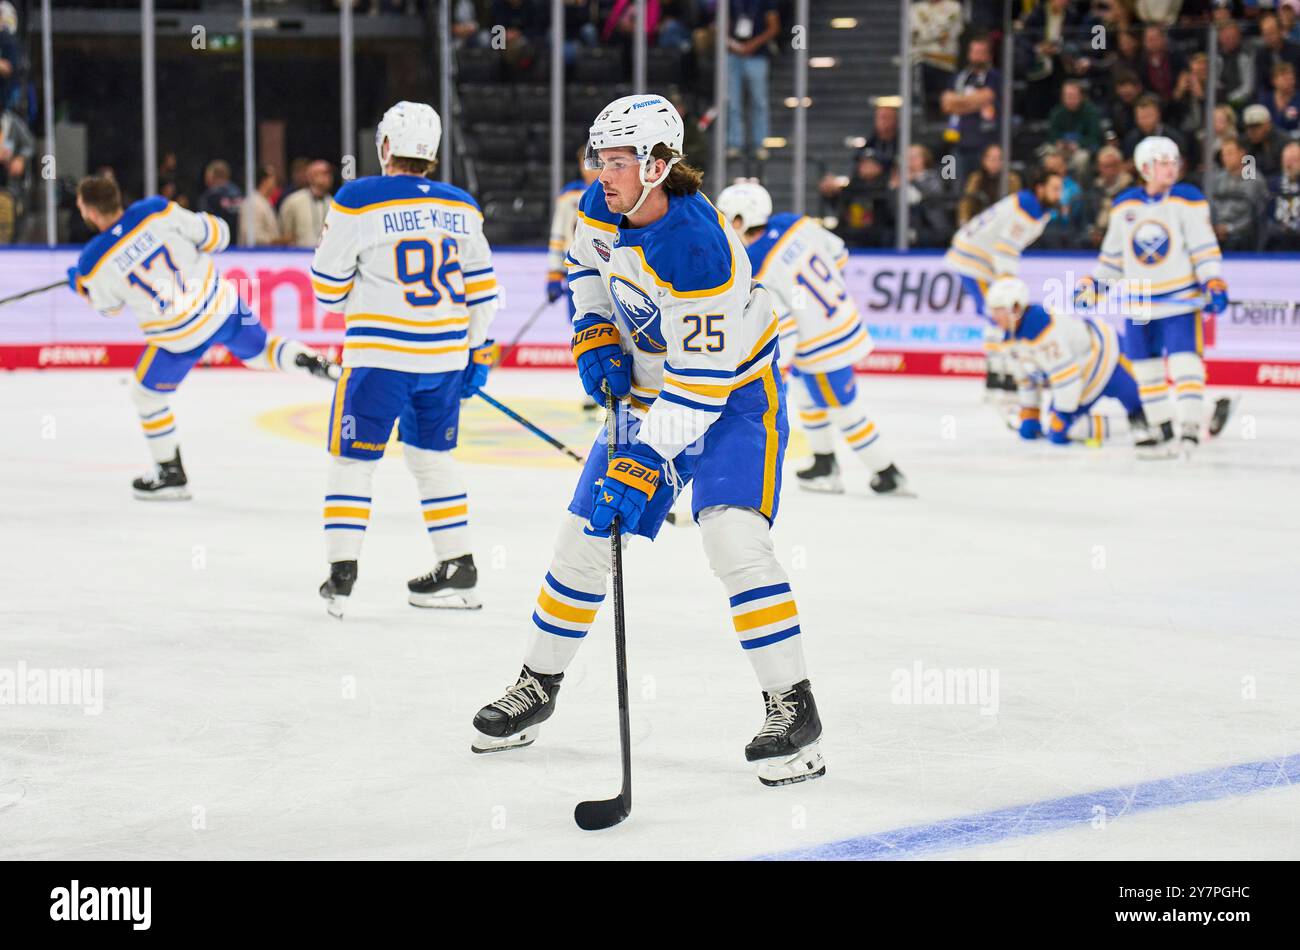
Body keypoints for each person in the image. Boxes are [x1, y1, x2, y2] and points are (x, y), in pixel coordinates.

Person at [471, 94, 825, 788]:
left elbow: (700, 388)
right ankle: (537, 685)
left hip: (733, 401)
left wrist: (641, 459)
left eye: (620, 161)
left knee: (732, 540)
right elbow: (584, 272)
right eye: (600, 159)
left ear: (659, 165)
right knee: (583, 538)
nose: (605, 173)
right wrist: (595, 329)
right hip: (649, 395)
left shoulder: (699, 247)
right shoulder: (600, 207)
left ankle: (794, 707)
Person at [311, 102, 500, 619]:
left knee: (354, 460)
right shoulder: (463, 205)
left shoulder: (357, 198)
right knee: (432, 459)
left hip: (379, 358)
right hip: (442, 358)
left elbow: (327, 290)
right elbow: (484, 292)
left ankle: (342, 575)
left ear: (386, 146)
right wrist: (475, 352)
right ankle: (458, 565)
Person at [66, 175, 337, 499]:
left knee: (146, 395)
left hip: (177, 336)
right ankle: (316, 363)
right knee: (263, 350)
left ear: (89, 212)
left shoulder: (92, 260)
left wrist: (81, 285)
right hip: (220, 305)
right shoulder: (153, 210)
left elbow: (108, 308)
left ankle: (170, 474)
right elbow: (217, 235)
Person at [717, 180, 908, 496]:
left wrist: (779, 368)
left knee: (843, 409)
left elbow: (784, 324)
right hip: (839, 321)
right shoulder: (795, 223)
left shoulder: (754, 265)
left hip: (820, 343)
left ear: (742, 219)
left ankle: (887, 472)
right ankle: (824, 463)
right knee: (809, 399)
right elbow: (839, 254)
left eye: (727, 218)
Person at [1076, 136, 1229, 457]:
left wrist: (1212, 280)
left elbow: (1203, 248)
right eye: (1163, 162)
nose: (1170, 168)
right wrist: (1095, 286)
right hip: (1139, 304)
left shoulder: (1188, 200)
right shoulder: (1124, 206)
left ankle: (1189, 427)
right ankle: (1162, 425)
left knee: (1185, 363)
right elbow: (1113, 260)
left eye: (1174, 162)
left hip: (1179, 301)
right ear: (1146, 168)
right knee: (1146, 369)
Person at [987, 276, 1148, 450]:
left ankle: (1137, 424)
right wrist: (1030, 412)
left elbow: (1066, 376)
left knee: (1146, 407)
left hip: (1111, 355)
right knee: (1063, 430)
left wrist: (1063, 413)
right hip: (1084, 373)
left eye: (999, 310)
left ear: (1016, 307)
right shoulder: (1008, 338)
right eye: (993, 310)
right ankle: (1129, 424)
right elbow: (1027, 379)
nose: (994, 316)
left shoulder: (1041, 326)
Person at [944, 165, 1062, 396]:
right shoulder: (1029, 207)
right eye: (1055, 189)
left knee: (998, 313)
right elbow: (1006, 248)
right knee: (997, 312)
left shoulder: (1037, 206)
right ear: (1040, 189)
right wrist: (1007, 282)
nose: (1059, 194)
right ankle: (998, 373)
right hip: (973, 259)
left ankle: (1000, 371)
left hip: (978, 256)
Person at [725, 0, 781, 163]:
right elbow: (722, 24)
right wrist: (733, 45)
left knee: (759, 101)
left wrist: (753, 44)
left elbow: (773, 27)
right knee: (733, 102)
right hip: (734, 53)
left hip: (757, 55)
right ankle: (735, 142)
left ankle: (760, 142)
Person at [942, 36, 1002, 183]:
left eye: (981, 52)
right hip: (958, 142)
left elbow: (987, 97)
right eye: (974, 52)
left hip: (985, 144)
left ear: (988, 55)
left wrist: (959, 103)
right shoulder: (960, 77)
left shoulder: (994, 77)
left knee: (981, 184)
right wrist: (974, 101)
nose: (976, 56)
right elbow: (946, 104)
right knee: (954, 181)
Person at [1210, 136, 1270, 251]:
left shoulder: (1255, 181)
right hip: (1216, 230)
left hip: (1242, 234)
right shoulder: (1217, 179)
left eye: (1230, 153)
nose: (1225, 158)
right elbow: (1211, 206)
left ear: (1242, 154)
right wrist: (1214, 226)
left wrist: (1229, 229)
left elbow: (1255, 217)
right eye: (1223, 154)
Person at [911, 0, 964, 119]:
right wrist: (939, 31)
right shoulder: (916, 8)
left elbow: (952, 32)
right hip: (922, 63)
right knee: (925, 103)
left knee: (947, 102)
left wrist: (926, 30)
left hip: (946, 64)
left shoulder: (954, 7)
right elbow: (916, 33)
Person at [279, 159, 333, 248]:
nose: (329, 177)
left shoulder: (334, 203)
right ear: (311, 176)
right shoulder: (293, 201)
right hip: (300, 256)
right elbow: (285, 233)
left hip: (326, 256)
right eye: (324, 173)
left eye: (329, 174)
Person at [1266, 140, 1300, 249]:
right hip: (1279, 236)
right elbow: (1268, 214)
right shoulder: (1272, 185)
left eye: (1294, 160)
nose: (1289, 165)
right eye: (1286, 160)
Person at [237, 164, 281, 246]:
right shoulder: (252, 203)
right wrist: (275, 240)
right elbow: (250, 235)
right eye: (273, 178)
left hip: (267, 255)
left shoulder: (265, 201)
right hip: (254, 256)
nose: (275, 182)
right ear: (265, 181)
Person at [198, 160, 242, 236]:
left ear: (212, 176)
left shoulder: (210, 197)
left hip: (218, 240)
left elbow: (203, 222)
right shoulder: (239, 192)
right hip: (240, 243)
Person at [1242, 102, 1286, 177]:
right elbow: (1248, 176)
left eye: (1256, 126)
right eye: (1248, 127)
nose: (1252, 131)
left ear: (1268, 124)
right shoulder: (1245, 144)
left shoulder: (1284, 142)